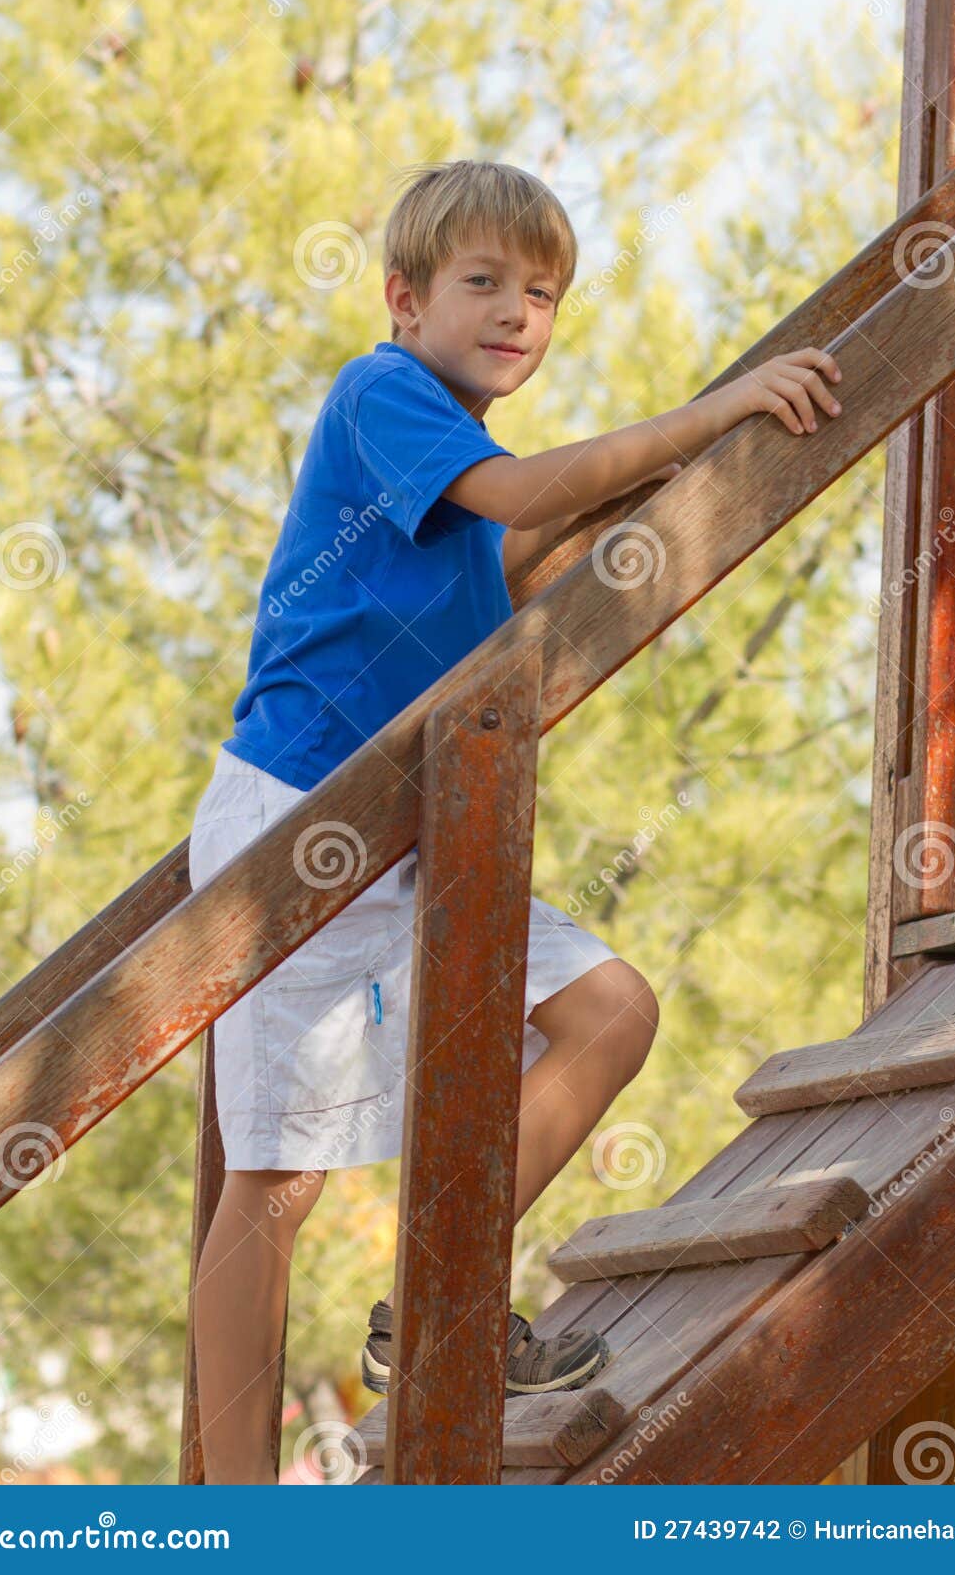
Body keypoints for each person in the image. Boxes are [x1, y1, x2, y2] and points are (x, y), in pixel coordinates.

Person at [188, 158, 843, 1483]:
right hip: (296, 822)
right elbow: (531, 497)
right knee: (274, 1181)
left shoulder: (458, 478)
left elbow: (537, 540)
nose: (516, 313)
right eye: (482, 283)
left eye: (541, 292)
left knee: (612, 1008)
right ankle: (242, 1516)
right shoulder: (384, 395)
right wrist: (713, 406)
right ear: (403, 298)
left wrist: (712, 453)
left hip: (414, 842)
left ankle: (442, 1301)